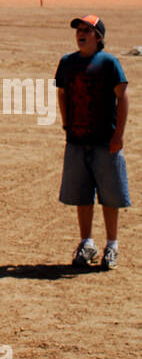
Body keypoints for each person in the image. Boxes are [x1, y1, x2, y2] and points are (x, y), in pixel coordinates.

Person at [55, 14, 130, 270]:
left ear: (98, 37)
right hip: (76, 140)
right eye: (78, 30)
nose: (80, 34)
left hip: (104, 141)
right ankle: (87, 243)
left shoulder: (109, 63)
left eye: (87, 30)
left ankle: (112, 245)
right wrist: (66, 124)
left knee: (110, 196)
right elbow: (62, 94)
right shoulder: (67, 62)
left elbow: (123, 98)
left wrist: (118, 135)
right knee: (81, 195)